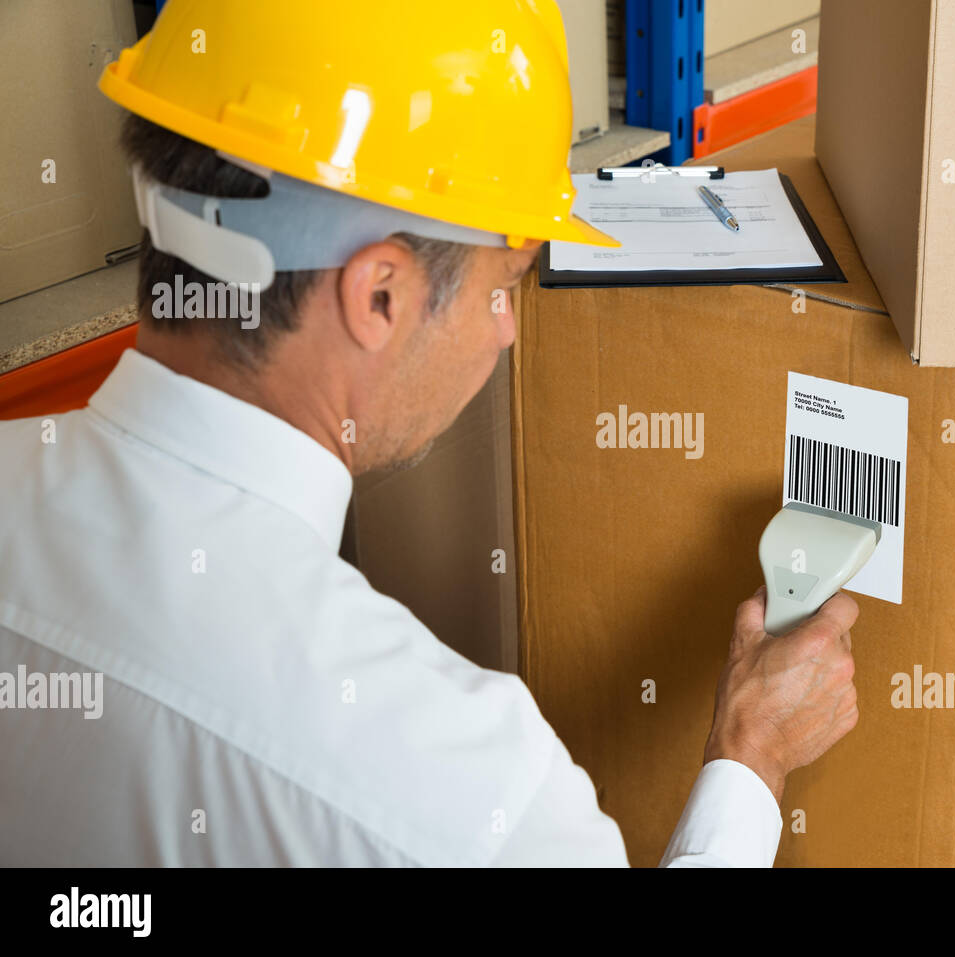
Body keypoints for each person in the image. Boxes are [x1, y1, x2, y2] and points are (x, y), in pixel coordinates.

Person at [0, 0, 859, 866]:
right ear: (381, 295)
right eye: (508, 282)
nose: (506, 330)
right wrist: (752, 756)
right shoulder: (463, 793)